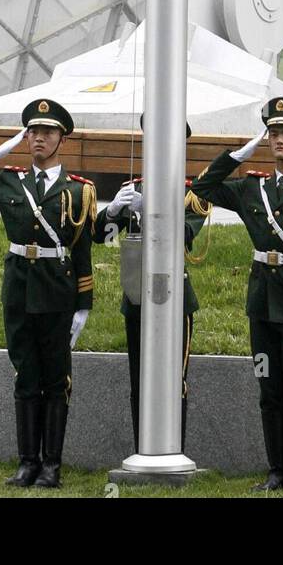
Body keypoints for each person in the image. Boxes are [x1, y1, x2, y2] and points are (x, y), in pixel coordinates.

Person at [0, 98, 96, 490]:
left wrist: (83, 303)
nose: (39, 138)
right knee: (25, 375)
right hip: (18, 291)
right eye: (33, 132)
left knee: (56, 378)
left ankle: (52, 466)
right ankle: (27, 463)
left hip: (57, 292)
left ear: (62, 138)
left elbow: (82, 251)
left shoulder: (79, 191)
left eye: (47, 132)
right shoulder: (10, 181)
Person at [190, 96, 283, 492]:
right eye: (272, 134)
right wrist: (237, 155)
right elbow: (202, 187)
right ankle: (276, 471)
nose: (278, 141)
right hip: (262, 305)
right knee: (269, 387)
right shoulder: (251, 188)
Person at [94, 116, 210, 452]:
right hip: (137, 295)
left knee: (174, 380)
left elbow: (185, 234)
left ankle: (174, 449)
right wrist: (112, 211)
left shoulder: (191, 192)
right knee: (139, 379)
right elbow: (99, 236)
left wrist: (153, 211)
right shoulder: (135, 187)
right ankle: (142, 447)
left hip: (175, 297)